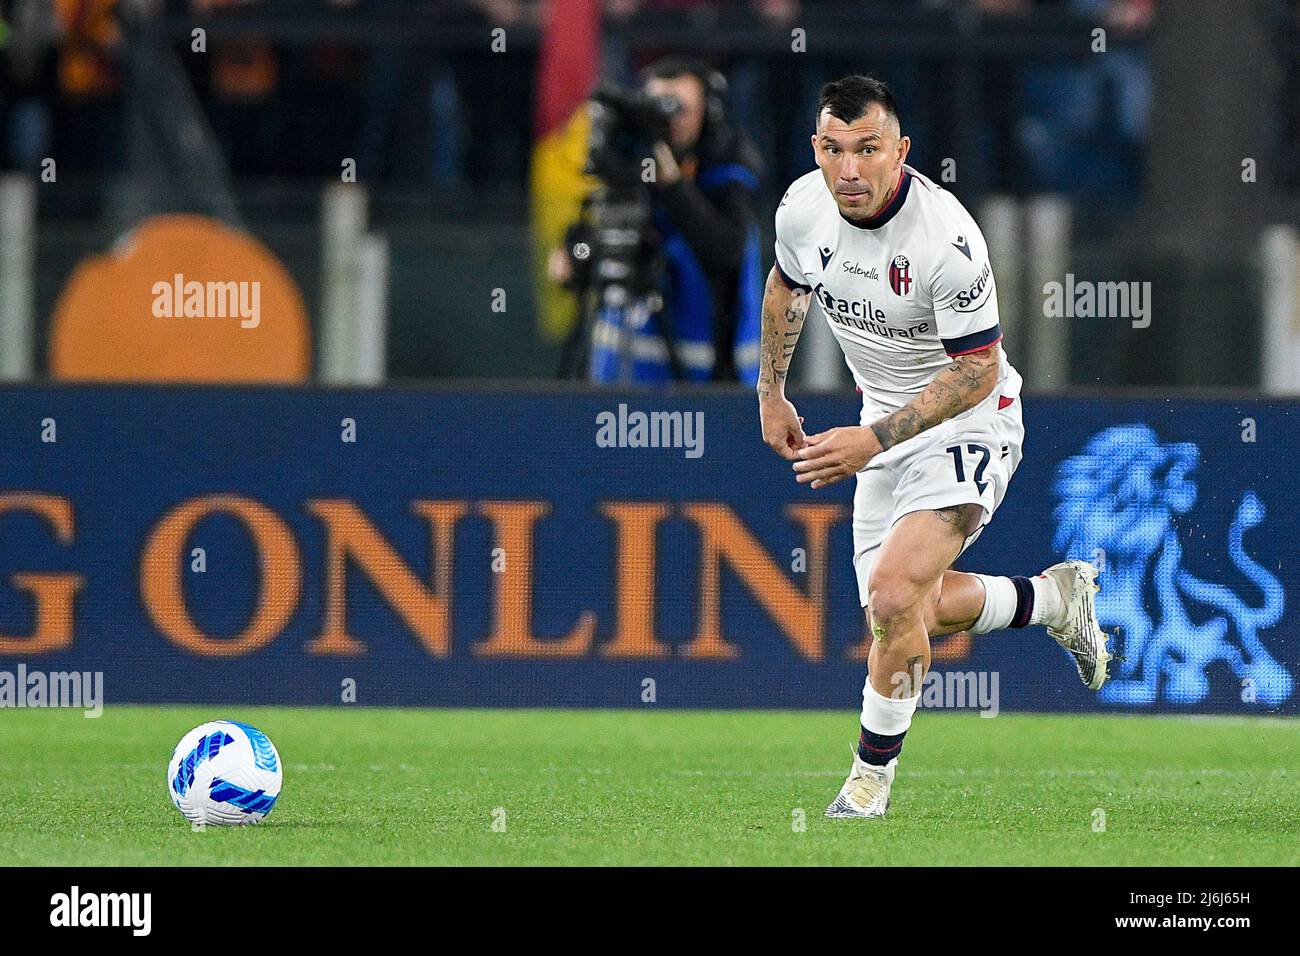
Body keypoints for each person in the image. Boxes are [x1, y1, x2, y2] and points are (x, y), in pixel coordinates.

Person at [755, 75, 1112, 819]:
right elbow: (788, 289)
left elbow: (977, 370)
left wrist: (871, 440)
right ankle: (1052, 600)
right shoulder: (802, 208)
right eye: (832, 149)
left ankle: (867, 785)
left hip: (967, 421)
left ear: (901, 150)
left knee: (893, 597)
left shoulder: (943, 238)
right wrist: (771, 390)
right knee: (899, 616)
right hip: (878, 427)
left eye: (867, 149)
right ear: (815, 148)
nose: (848, 169)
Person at [556, 56, 764, 383]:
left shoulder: (726, 173)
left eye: (680, 108)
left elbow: (725, 253)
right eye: (657, 106)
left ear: (707, 114)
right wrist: (577, 252)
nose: (669, 120)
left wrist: (672, 185)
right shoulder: (634, 161)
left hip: (704, 385)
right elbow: (595, 229)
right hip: (615, 383)